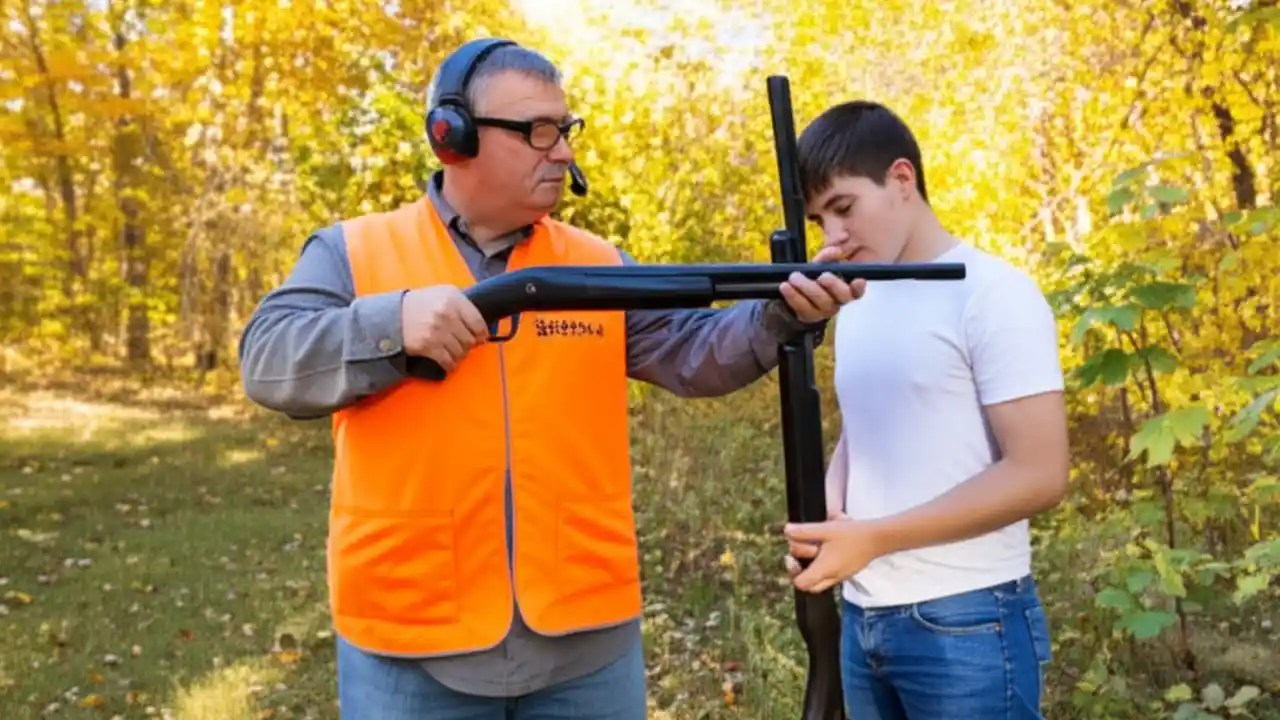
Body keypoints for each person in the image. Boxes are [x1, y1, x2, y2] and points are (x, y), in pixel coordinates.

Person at [238, 38, 866, 719]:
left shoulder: (594, 262)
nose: (562, 151)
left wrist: (776, 316)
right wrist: (390, 325)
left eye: (564, 130)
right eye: (538, 131)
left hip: (584, 646)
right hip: (409, 646)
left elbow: (694, 347)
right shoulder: (356, 251)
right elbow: (268, 359)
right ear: (453, 137)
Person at [780, 100, 1070, 719]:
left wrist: (875, 538)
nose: (832, 237)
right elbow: (865, 431)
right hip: (863, 619)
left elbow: (1041, 472)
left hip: (968, 619)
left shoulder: (992, 292)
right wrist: (829, 519)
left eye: (844, 208)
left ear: (902, 180)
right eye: (818, 219)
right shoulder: (858, 298)